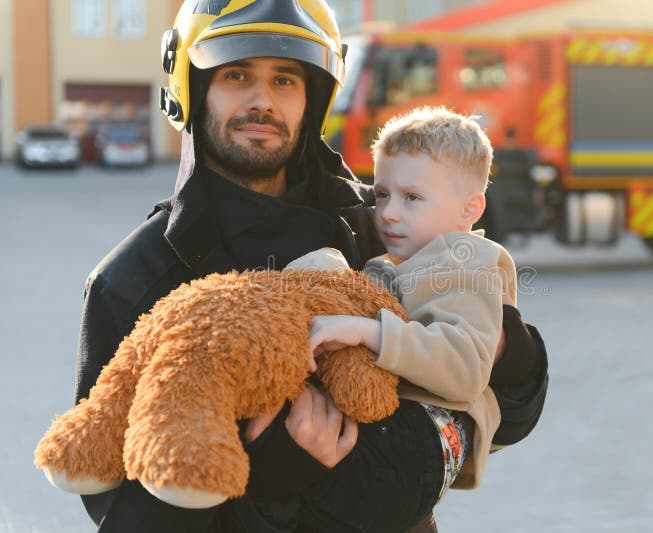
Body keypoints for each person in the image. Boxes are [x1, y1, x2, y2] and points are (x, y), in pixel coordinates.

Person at [73, 1, 549, 532]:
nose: (262, 101)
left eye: (284, 79)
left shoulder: (377, 227)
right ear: (191, 86)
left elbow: (502, 423)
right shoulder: (135, 280)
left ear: (314, 97)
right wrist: (269, 482)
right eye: (235, 74)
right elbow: (121, 517)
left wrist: (510, 354)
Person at [304, 106, 516, 527]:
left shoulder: (466, 264)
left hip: (436, 429)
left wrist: (368, 331)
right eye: (381, 194)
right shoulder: (403, 260)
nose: (389, 213)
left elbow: (466, 368)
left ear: (469, 209)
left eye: (412, 198)